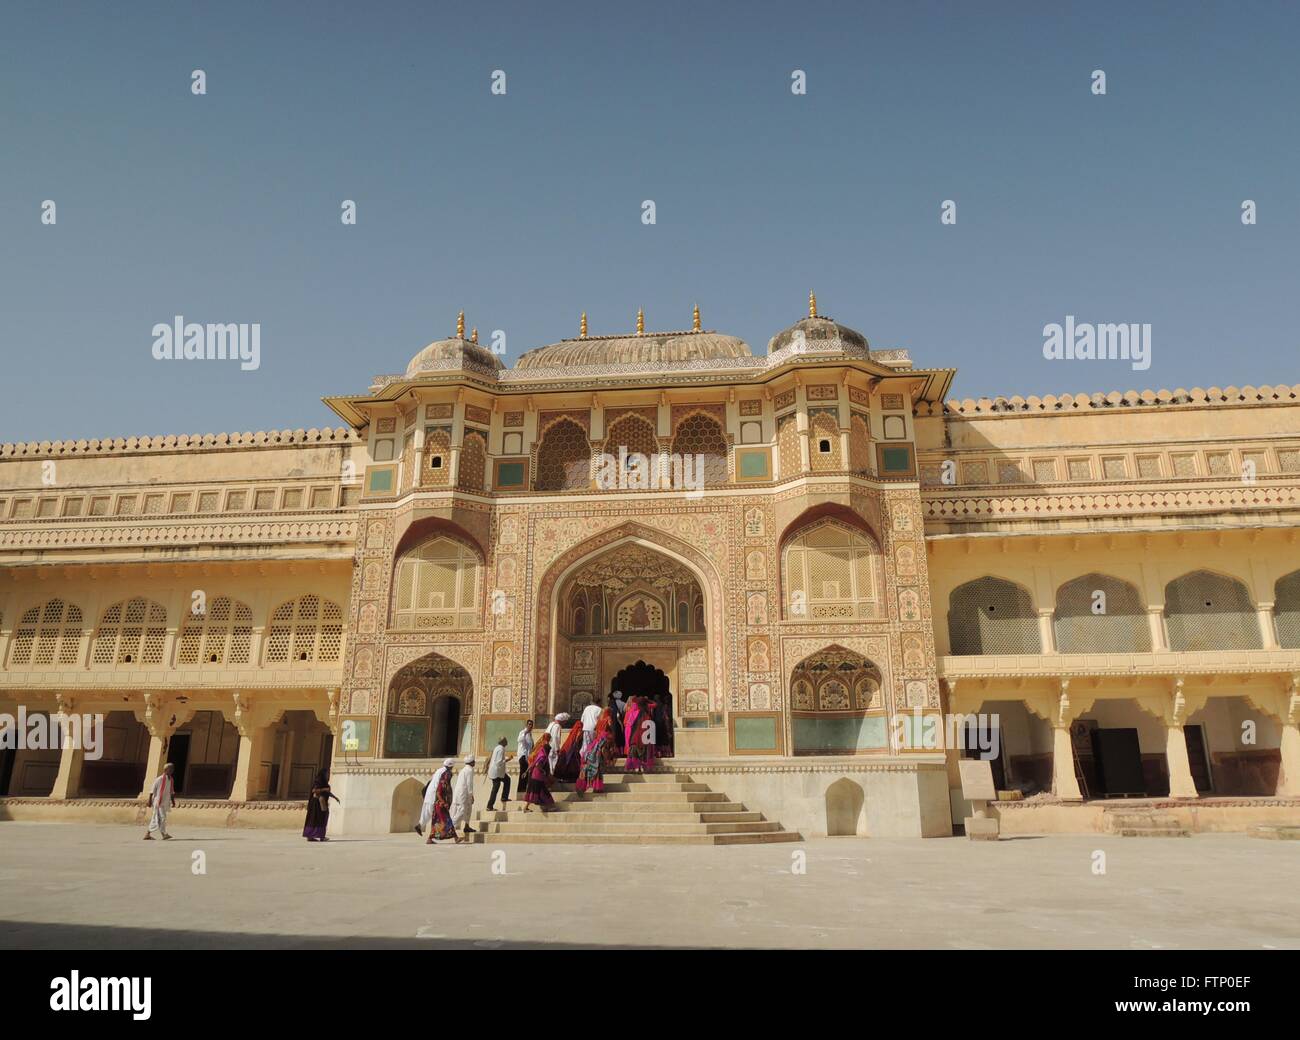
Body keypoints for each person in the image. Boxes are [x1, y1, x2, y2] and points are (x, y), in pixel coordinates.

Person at [575, 708, 613, 797]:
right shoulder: (606, 733)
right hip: (597, 751)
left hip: (591, 748)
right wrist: (607, 758)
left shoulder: (599, 722)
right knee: (597, 768)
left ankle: (582, 787)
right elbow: (604, 748)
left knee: (589, 768)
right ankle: (597, 787)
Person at [426, 759, 465, 844]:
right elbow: (438, 793)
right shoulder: (442, 783)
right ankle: (456, 838)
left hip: (440, 805)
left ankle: (430, 839)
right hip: (440, 805)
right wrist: (443, 802)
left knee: (437, 822)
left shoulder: (445, 783)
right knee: (446, 821)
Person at [416, 758, 454, 837]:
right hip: (436, 796)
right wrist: (443, 800)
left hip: (430, 793)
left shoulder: (439, 770)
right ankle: (452, 835)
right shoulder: (446, 773)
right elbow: (444, 786)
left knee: (428, 813)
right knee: (438, 816)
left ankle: (421, 826)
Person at [303, 768, 340, 842]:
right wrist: (324, 789)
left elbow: (328, 792)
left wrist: (335, 797)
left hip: (322, 804)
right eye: (326, 774)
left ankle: (321, 836)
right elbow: (314, 790)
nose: (328, 775)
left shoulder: (325, 783)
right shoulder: (318, 782)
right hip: (316, 805)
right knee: (315, 819)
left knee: (322, 819)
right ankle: (311, 836)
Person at [522, 733, 555, 812]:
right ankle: (548, 807)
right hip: (538, 777)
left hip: (534, 776)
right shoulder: (543, 756)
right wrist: (543, 771)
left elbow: (533, 763)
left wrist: (526, 772)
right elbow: (538, 765)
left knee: (534, 792)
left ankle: (525, 807)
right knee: (544, 792)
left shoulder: (540, 754)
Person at [142, 762, 176, 840]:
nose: (172, 770)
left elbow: (171, 792)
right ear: (166, 770)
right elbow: (152, 791)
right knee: (161, 818)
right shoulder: (159, 779)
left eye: (173, 769)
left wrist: (173, 801)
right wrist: (149, 801)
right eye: (171, 768)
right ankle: (151, 833)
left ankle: (161, 834)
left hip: (165, 802)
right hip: (158, 802)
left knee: (160, 818)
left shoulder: (171, 780)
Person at [625, 696, 657, 774]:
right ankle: (642, 766)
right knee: (643, 750)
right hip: (644, 737)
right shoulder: (646, 712)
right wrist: (647, 700)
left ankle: (636, 767)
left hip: (635, 736)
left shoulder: (633, 711)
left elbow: (629, 724)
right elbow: (655, 704)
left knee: (634, 750)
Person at [484, 737, 513, 811]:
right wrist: (507, 759)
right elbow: (498, 762)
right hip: (497, 772)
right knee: (496, 788)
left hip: (497, 772)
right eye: (506, 740)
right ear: (503, 742)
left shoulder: (497, 748)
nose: (507, 741)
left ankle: (504, 797)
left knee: (506, 780)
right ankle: (490, 805)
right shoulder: (501, 749)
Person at [451, 754, 477, 835]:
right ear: (472, 762)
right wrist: (471, 795)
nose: (475, 762)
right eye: (474, 761)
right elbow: (469, 784)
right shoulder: (469, 770)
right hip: (463, 794)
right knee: (462, 811)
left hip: (461, 793)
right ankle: (450, 826)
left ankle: (466, 826)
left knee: (468, 809)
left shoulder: (464, 769)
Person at [554, 718, 584, 782]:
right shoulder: (580, 730)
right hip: (572, 749)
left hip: (567, 748)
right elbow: (577, 739)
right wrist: (576, 747)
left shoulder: (574, 731)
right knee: (572, 763)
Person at [651, 694, 674, 759]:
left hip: (657, 723)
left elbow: (653, 714)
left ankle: (658, 753)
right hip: (662, 724)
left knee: (658, 739)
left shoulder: (655, 706)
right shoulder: (663, 705)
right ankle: (665, 753)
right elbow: (665, 716)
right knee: (663, 739)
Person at [516, 720, 535, 797]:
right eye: (529, 724)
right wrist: (525, 732)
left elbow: (531, 746)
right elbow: (519, 740)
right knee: (523, 772)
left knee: (526, 773)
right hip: (522, 755)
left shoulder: (530, 735)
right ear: (527, 725)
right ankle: (521, 790)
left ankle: (524, 789)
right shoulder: (522, 732)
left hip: (527, 757)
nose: (530, 726)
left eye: (531, 725)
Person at [609, 690, 627, 754]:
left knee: (615, 737)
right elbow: (625, 713)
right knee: (621, 737)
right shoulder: (624, 704)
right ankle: (622, 752)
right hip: (621, 723)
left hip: (613, 723)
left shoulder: (611, 704)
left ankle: (617, 752)